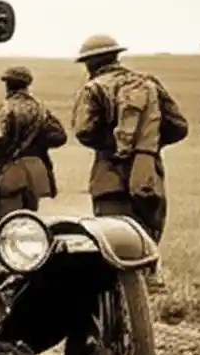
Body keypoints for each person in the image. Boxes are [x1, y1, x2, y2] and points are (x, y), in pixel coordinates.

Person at [71, 34, 188, 254]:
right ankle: (151, 282)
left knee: (115, 243)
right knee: (148, 238)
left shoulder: (94, 88)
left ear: (90, 63)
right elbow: (179, 127)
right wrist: (147, 144)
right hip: (148, 174)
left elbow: (83, 131)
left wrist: (113, 145)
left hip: (110, 176)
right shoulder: (149, 83)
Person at [0, 66, 67, 217]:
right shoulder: (40, 108)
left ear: (8, 85)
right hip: (37, 170)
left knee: (9, 220)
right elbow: (60, 137)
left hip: (12, 171)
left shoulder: (4, 109)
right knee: (34, 220)